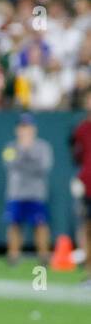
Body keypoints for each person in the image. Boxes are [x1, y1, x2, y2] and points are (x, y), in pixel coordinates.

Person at [3, 113, 53, 265]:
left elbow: (44, 168)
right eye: (22, 127)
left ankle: (44, 256)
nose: (25, 130)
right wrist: (25, 153)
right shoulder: (10, 147)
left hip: (36, 193)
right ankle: (13, 255)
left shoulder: (43, 147)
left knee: (40, 224)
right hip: (16, 193)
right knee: (14, 224)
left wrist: (27, 152)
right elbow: (9, 165)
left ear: (33, 129)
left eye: (28, 127)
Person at [69, 93, 91, 279]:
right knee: (85, 226)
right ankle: (88, 271)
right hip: (87, 185)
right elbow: (77, 157)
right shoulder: (81, 129)